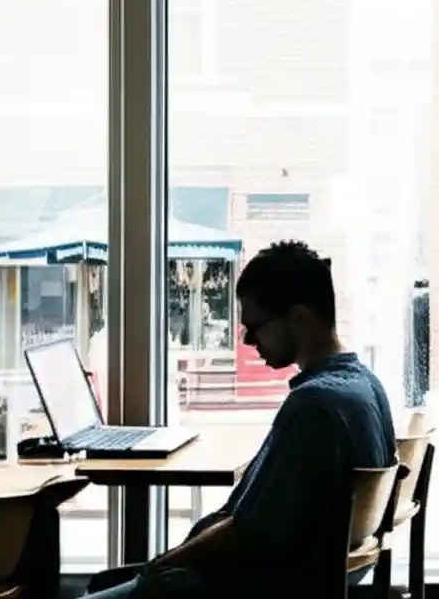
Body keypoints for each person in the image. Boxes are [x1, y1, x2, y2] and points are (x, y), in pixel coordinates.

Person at [85, 241, 396, 598]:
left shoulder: (314, 407)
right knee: (109, 584)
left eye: (255, 326)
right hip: (310, 578)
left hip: (258, 585)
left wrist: (164, 563)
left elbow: (248, 532)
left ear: (298, 318)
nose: (248, 340)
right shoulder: (367, 387)